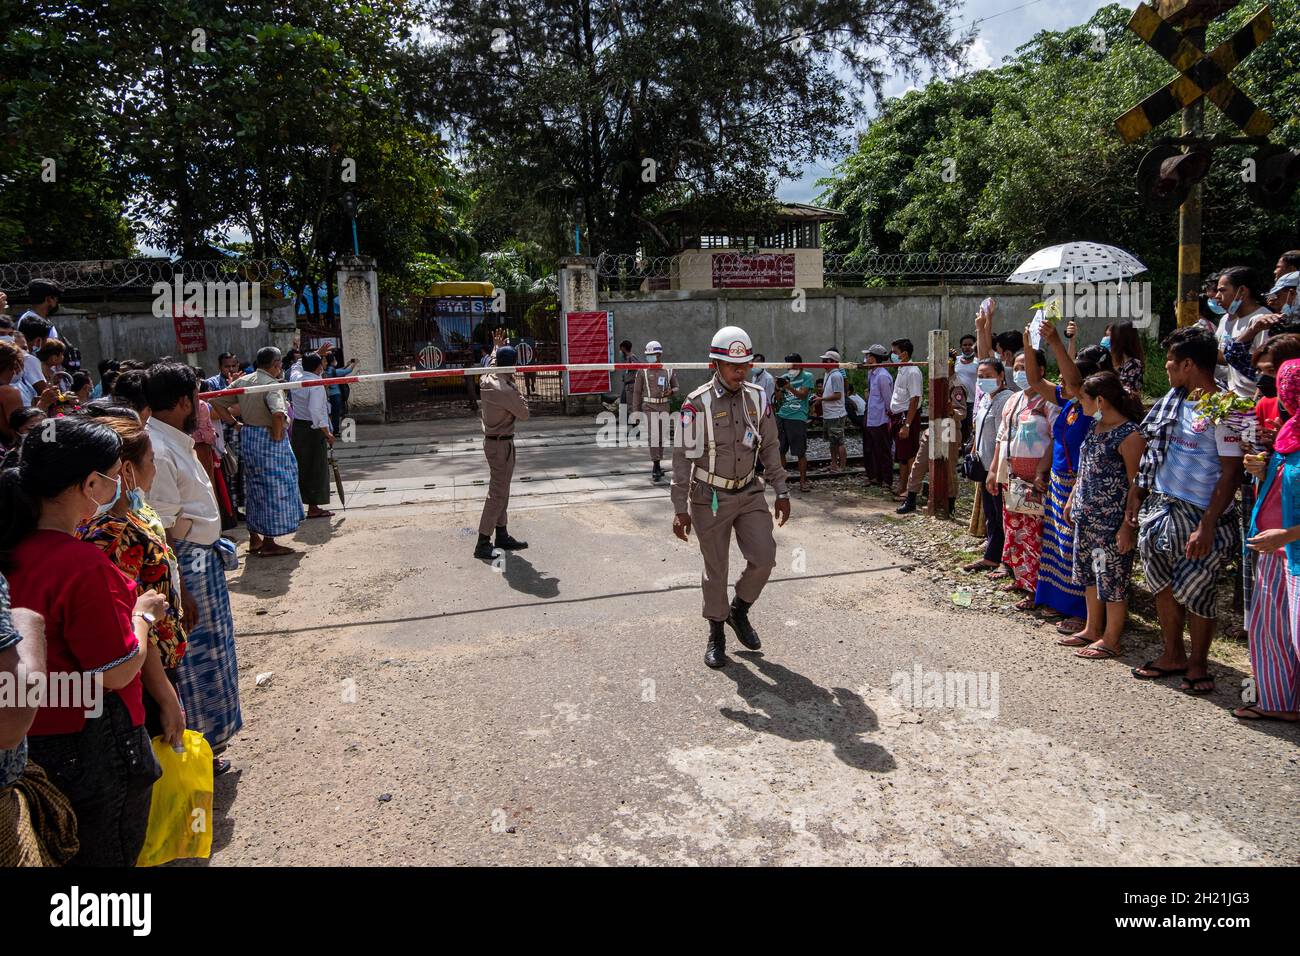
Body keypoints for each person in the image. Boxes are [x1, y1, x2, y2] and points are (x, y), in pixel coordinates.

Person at [2, 416, 168, 865]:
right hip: (94, 740)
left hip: (33, 742)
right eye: (116, 475)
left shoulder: (11, 550)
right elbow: (117, 671)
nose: (122, 484)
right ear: (91, 483)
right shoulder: (82, 566)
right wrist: (143, 617)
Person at [1127, 327, 1245, 694]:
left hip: (1200, 517)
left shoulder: (1224, 409)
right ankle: (1172, 654)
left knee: (1200, 592)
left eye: (1171, 364)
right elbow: (1154, 455)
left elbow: (1231, 473)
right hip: (1161, 511)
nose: (1167, 371)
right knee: (1161, 585)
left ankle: (1198, 664)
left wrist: (1207, 524)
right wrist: (1137, 495)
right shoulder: (1172, 401)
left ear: (1189, 364)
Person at [671, 326, 790, 669]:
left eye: (746, 366)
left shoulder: (758, 397)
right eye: (733, 366)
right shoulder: (696, 405)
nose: (741, 372)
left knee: (764, 558)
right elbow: (682, 459)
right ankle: (716, 633)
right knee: (716, 569)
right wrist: (680, 509)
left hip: (750, 491)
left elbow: (769, 446)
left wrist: (781, 489)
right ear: (715, 365)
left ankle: (739, 610)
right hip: (709, 496)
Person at [144, 362, 241, 770]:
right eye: (196, 397)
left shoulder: (172, 441)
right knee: (193, 658)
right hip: (187, 566)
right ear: (184, 401)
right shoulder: (159, 451)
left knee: (214, 652)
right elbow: (162, 530)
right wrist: (179, 590)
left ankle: (211, 743)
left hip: (202, 561)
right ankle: (195, 747)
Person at [78, 417, 188, 750]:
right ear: (126, 470)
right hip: (141, 676)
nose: (155, 469)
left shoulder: (131, 514)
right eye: (151, 461)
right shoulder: (110, 537)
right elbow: (133, 624)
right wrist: (167, 699)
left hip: (154, 667)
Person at [1024, 323, 1107, 629]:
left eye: (1068, 376)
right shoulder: (1070, 404)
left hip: (1078, 483)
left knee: (1075, 547)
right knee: (1058, 546)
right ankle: (1057, 600)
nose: (1062, 381)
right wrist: (1029, 342)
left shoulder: (1094, 409)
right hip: (1059, 481)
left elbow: (1071, 378)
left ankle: (1081, 612)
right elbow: (1034, 379)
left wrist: (1056, 341)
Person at [1061, 372, 1146, 660]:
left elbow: (1137, 486)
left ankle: (1111, 639)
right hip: (1087, 519)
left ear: (1100, 399)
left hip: (1110, 524)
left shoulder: (1130, 434)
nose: (1080, 404)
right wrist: (1073, 499)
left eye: (1084, 399)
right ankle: (1092, 628)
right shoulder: (1096, 427)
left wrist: (1127, 526)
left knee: (1112, 578)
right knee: (1089, 575)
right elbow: (1085, 469)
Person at [1239, 357, 1300, 721]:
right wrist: (1263, 467)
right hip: (1273, 547)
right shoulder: (1289, 430)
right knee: (1270, 631)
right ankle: (1279, 703)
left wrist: (1290, 534)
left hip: (1291, 546)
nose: (1283, 395)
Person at [209, 347, 302, 556]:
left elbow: (216, 400)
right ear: (277, 364)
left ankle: (254, 538)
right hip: (269, 439)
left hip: (249, 436)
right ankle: (269, 542)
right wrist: (278, 437)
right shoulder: (271, 385)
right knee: (273, 489)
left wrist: (235, 424)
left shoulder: (244, 381)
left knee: (253, 487)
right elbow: (278, 413)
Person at [986, 348, 1055, 607]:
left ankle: (1035, 588)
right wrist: (994, 470)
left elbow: (1056, 437)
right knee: (1014, 530)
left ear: (1041, 371)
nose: (1019, 372)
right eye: (1015, 367)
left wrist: (1041, 470)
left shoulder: (1049, 400)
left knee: (1034, 534)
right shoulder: (1013, 400)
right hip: (1013, 477)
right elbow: (1002, 438)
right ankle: (1021, 577)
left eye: (1025, 366)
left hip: (1038, 480)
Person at [473, 337, 530, 559]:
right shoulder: (505, 389)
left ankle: (502, 534)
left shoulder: (487, 377)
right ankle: (483, 541)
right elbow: (524, 414)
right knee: (497, 494)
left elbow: (494, 363)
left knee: (502, 491)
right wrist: (518, 387)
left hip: (496, 442)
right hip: (501, 444)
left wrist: (496, 346)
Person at [898, 353, 967, 516]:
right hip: (933, 426)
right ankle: (911, 499)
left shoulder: (955, 384)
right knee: (919, 462)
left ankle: (950, 503)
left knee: (949, 468)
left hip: (948, 426)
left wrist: (953, 411)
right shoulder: (936, 381)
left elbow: (962, 412)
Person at [962, 359, 1014, 572]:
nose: (983, 380)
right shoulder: (985, 398)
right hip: (983, 464)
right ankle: (993, 555)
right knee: (991, 513)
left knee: (1001, 512)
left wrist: (994, 469)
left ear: (1001, 375)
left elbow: (1003, 437)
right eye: (980, 376)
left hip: (997, 467)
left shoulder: (1005, 399)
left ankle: (1004, 559)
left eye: (988, 375)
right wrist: (974, 450)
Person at [1215, 266, 1272, 400]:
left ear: (1242, 291)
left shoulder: (1262, 320)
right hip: (1237, 400)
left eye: (1222, 291)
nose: (1217, 297)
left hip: (1254, 402)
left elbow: (1267, 370)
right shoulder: (1233, 320)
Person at [290, 353, 335, 518]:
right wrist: (327, 433)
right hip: (313, 429)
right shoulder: (316, 384)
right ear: (319, 367)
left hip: (299, 427)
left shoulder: (296, 378)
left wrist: (312, 355)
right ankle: (314, 507)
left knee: (303, 466)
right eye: (322, 362)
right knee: (316, 468)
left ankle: (305, 504)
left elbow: (295, 366)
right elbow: (316, 411)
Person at [630, 340, 678, 483]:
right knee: (653, 435)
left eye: (653, 354)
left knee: (661, 436)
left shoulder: (668, 369)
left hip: (664, 406)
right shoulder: (642, 371)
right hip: (649, 407)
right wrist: (635, 412)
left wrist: (671, 391)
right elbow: (637, 392)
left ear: (659, 354)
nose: (650, 357)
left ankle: (658, 462)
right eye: (648, 355)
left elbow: (676, 387)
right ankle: (655, 465)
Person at [888, 339, 923, 497]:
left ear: (904, 354)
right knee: (902, 455)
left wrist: (907, 425)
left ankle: (911, 490)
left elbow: (914, 399)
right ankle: (902, 486)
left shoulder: (913, 372)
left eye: (895, 352)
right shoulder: (901, 368)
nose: (892, 355)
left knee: (909, 455)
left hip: (906, 417)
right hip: (898, 416)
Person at [774, 354, 813, 493]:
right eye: (787, 364)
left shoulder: (807, 376)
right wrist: (778, 388)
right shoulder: (785, 376)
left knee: (800, 451)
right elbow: (779, 399)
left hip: (798, 416)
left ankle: (803, 481)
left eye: (792, 364)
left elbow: (803, 395)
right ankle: (782, 481)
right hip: (782, 415)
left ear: (799, 364)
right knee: (780, 450)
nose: (790, 367)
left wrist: (789, 387)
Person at [861, 345, 894, 487]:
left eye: (868, 356)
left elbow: (888, 399)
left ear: (873, 358)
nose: (866, 358)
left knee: (883, 449)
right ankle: (875, 476)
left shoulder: (882, 376)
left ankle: (886, 479)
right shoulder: (871, 373)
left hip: (881, 418)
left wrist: (889, 416)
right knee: (871, 448)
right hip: (871, 416)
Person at [814, 350, 848, 475]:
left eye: (825, 360)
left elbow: (838, 395)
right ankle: (833, 464)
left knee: (839, 441)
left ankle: (842, 466)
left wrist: (821, 398)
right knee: (832, 441)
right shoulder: (828, 374)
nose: (823, 362)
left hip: (836, 413)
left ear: (832, 362)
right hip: (829, 413)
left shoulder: (836, 375)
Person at [1105, 321, 1145, 400]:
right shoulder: (1109, 359)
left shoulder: (1134, 364)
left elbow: (1129, 392)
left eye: (1111, 337)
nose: (1108, 340)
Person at [954, 334, 979, 443]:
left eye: (970, 345)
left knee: (972, 429)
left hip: (973, 401)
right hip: (959, 401)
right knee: (960, 429)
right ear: (961, 347)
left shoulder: (978, 361)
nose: (967, 347)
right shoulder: (955, 361)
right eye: (965, 345)